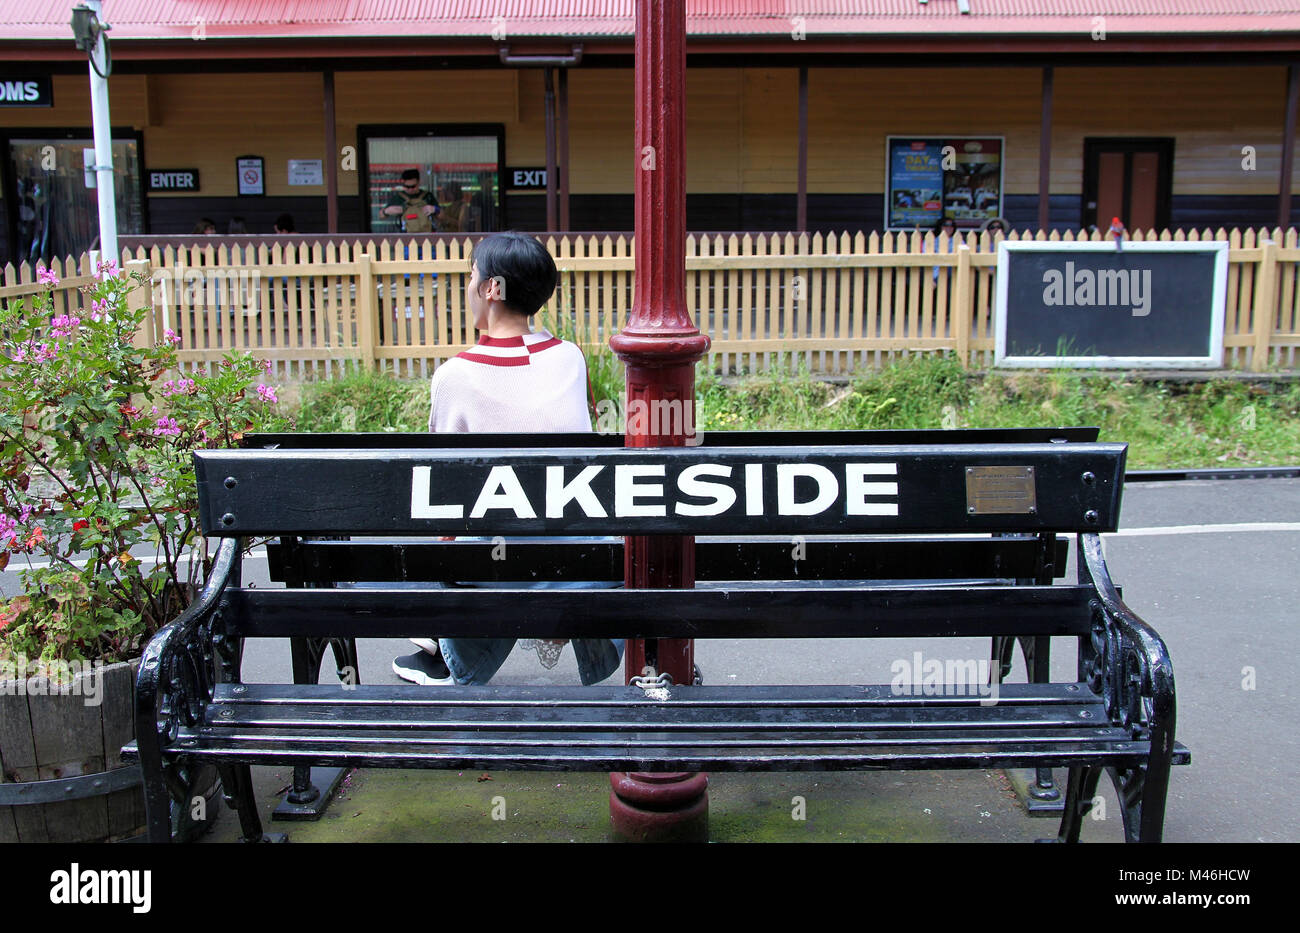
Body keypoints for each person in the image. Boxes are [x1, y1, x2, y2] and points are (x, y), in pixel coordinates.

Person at [391, 231, 623, 687]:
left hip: (497, 566)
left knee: (444, 544)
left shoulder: (455, 375)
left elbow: (443, 489)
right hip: (582, 558)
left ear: (492, 289)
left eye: (471, 275)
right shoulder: (571, 358)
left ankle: (444, 650)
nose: (467, 286)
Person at [382, 169, 440, 233]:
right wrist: (387, 211)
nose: (410, 189)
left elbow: (443, 217)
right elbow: (381, 216)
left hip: (426, 235)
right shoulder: (398, 197)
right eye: (407, 186)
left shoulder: (428, 196)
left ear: (418, 183)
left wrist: (435, 209)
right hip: (405, 236)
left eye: (413, 186)